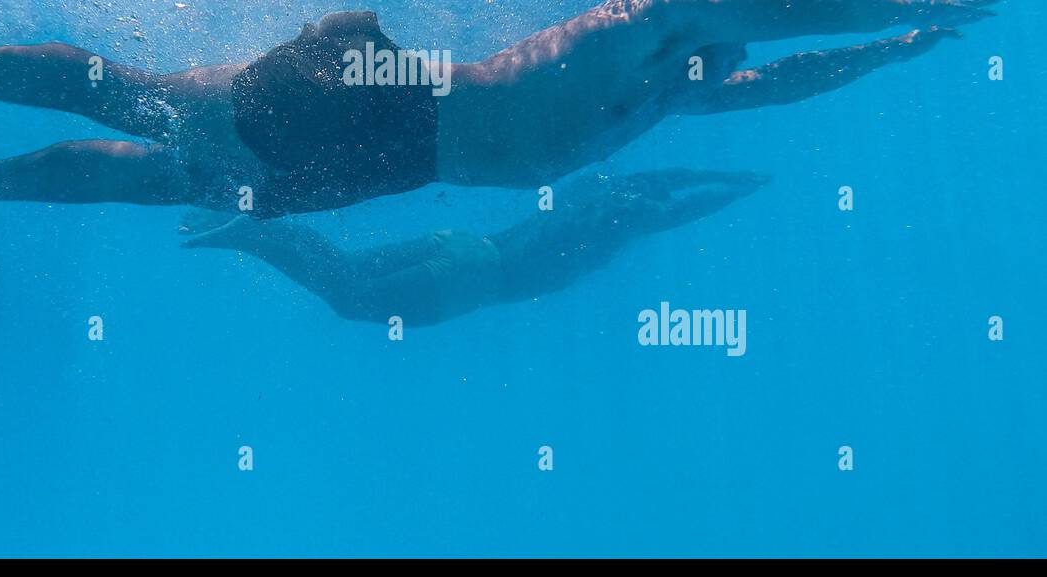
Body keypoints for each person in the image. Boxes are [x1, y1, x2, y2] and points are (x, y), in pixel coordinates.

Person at [0, 0, 994, 217]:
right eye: (723, 43)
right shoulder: (652, 21)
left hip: (400, 165)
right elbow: (789, 16)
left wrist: (886, 62)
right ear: (702, 9)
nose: (732, 69)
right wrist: (911, 7)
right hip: (377, 93)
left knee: (166, 178)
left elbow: (786, 78)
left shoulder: (671, 93)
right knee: (133, 102)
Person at [181, 169, 769, 327]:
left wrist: (716, 173)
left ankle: (251, 222)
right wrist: (736, 192)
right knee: (348, 299)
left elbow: (666, 180)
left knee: (345, 267)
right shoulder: (621, 221)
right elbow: (674, 208)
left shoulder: (596, 188)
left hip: (464, 244)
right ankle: (247, 239)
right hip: (473, 281)